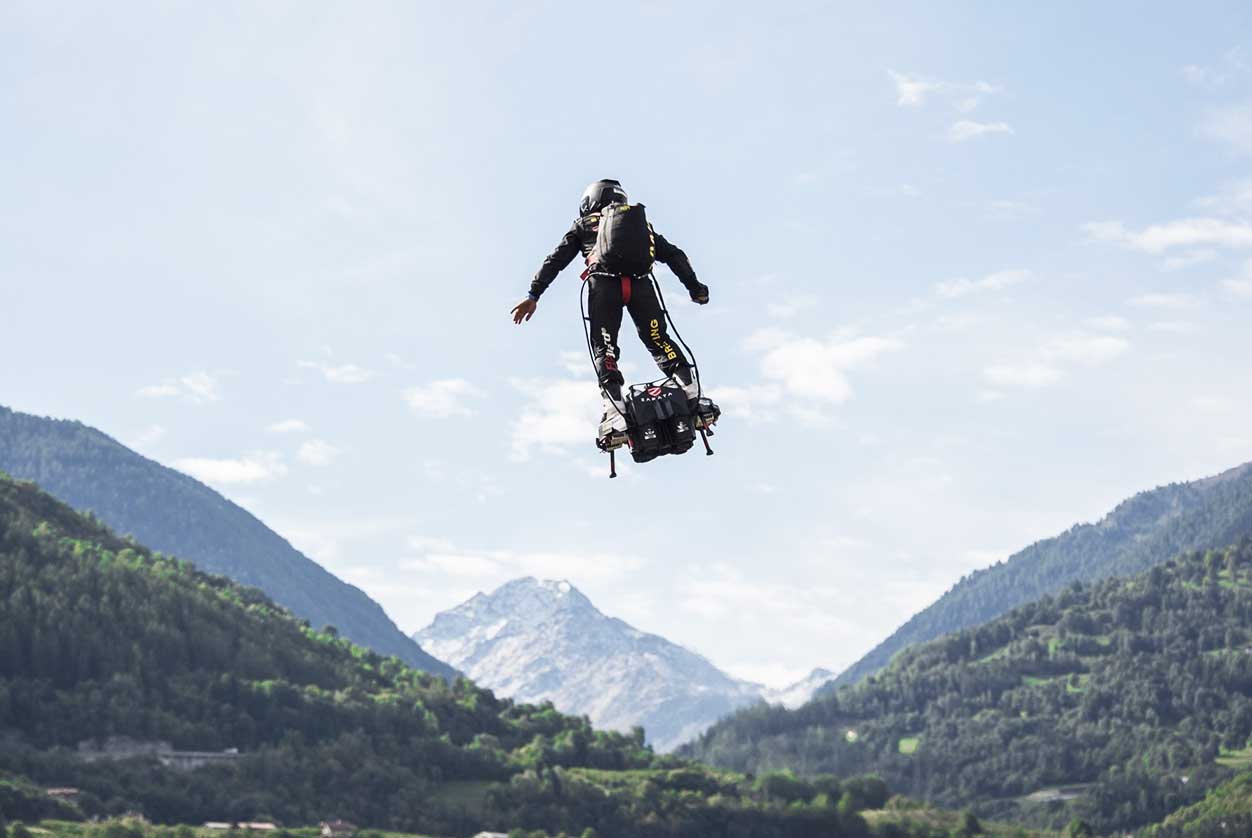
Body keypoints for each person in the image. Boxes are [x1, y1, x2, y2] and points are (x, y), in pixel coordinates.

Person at [511, 179, 717, 446]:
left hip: (604, 287)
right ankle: (691, 392)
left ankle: (615, 411)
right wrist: (695, 287)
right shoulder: (641, 225)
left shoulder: (584, 225)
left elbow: (556, 260)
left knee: (605, 349)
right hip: (641, 286)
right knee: (658, 340)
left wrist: (533, 294)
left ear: (591, 201)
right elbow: (675, 255)